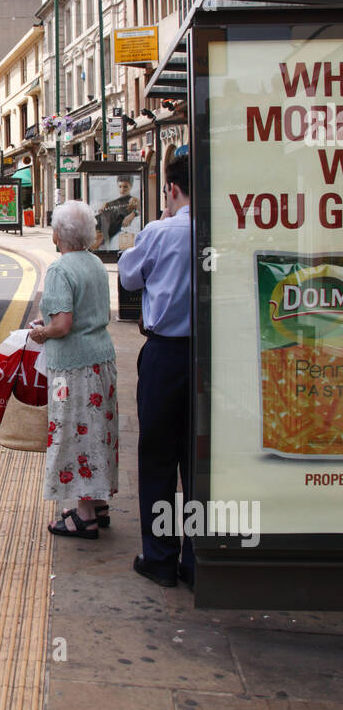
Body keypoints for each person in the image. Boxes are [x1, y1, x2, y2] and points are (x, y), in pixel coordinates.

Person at [118, 154, 192, 590]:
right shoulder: (216, 231)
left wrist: (163, 219)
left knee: (159, 457)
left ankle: (162, 558)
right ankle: (198, 563)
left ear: (171, 189)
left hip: (165, 356)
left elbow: (128, 279)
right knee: (199, 463)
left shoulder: (159, 231)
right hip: (209, 356)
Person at [28, 199, 118, 537]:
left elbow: (63, 324)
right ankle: (97, 502)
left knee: (77, 435)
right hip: (101, 361)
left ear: (59, 235)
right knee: (98, 432)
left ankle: (84, 516)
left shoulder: (60, 269)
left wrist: (42, 332)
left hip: (73, 370)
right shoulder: (95, 263)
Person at [93, 177, 140, 250]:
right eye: (120, 187)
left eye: (125, 187)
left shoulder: (134, 201)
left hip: (113, 232)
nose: (122, 190)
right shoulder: (110, 203)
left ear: (131, 186)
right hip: (103, 228)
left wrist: (133, 214)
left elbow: (141, 211)